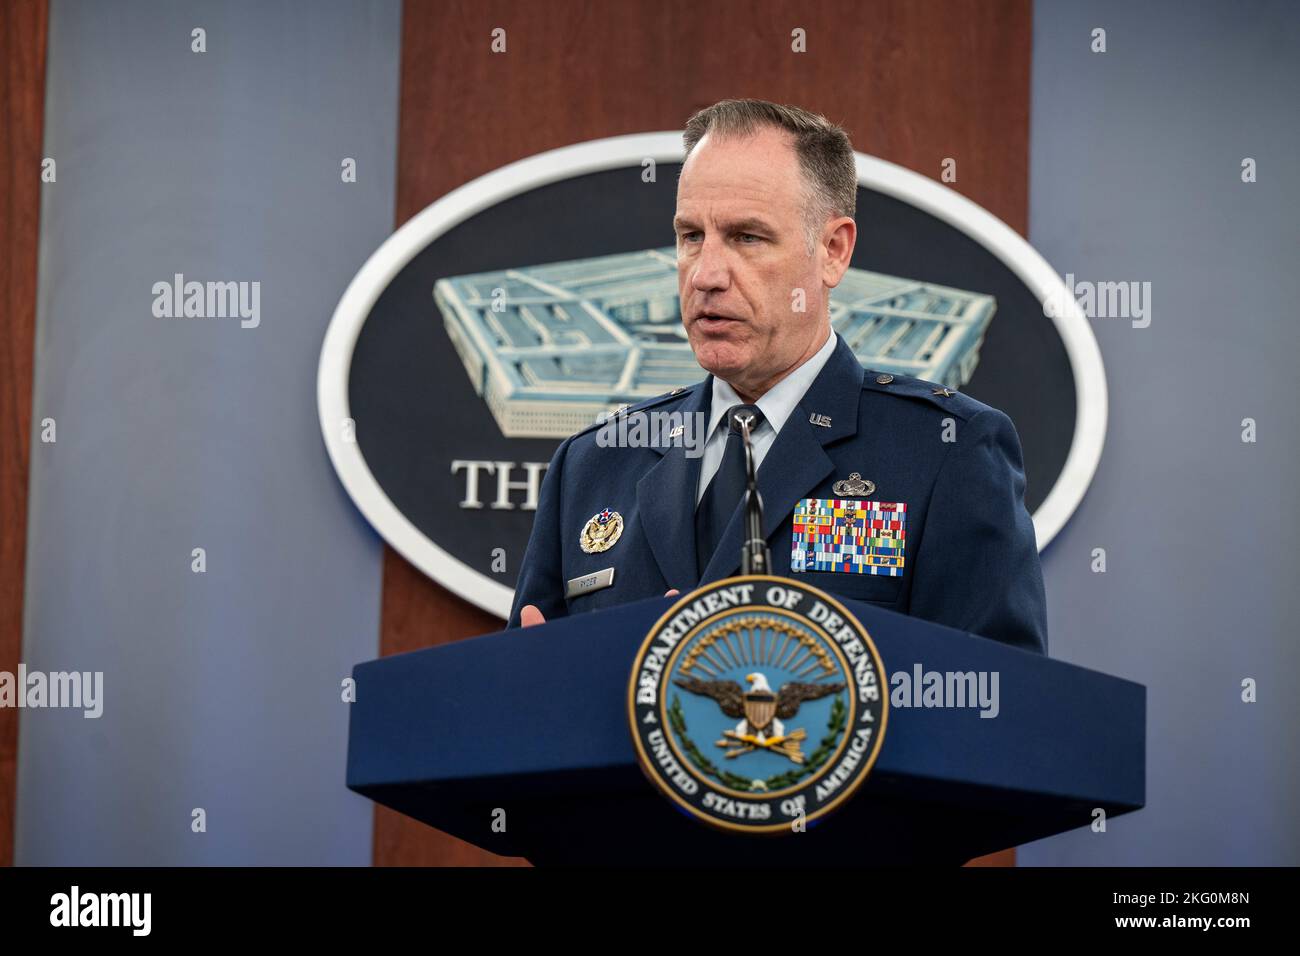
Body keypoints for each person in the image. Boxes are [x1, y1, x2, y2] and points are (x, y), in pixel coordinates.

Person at [508, 98, 1047, 654]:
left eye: (747, 237)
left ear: (832, 251)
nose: (707, 275)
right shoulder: (594, 462)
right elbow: (522, 703)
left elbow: (996, 705)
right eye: (691, 236)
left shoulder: (944, 451)